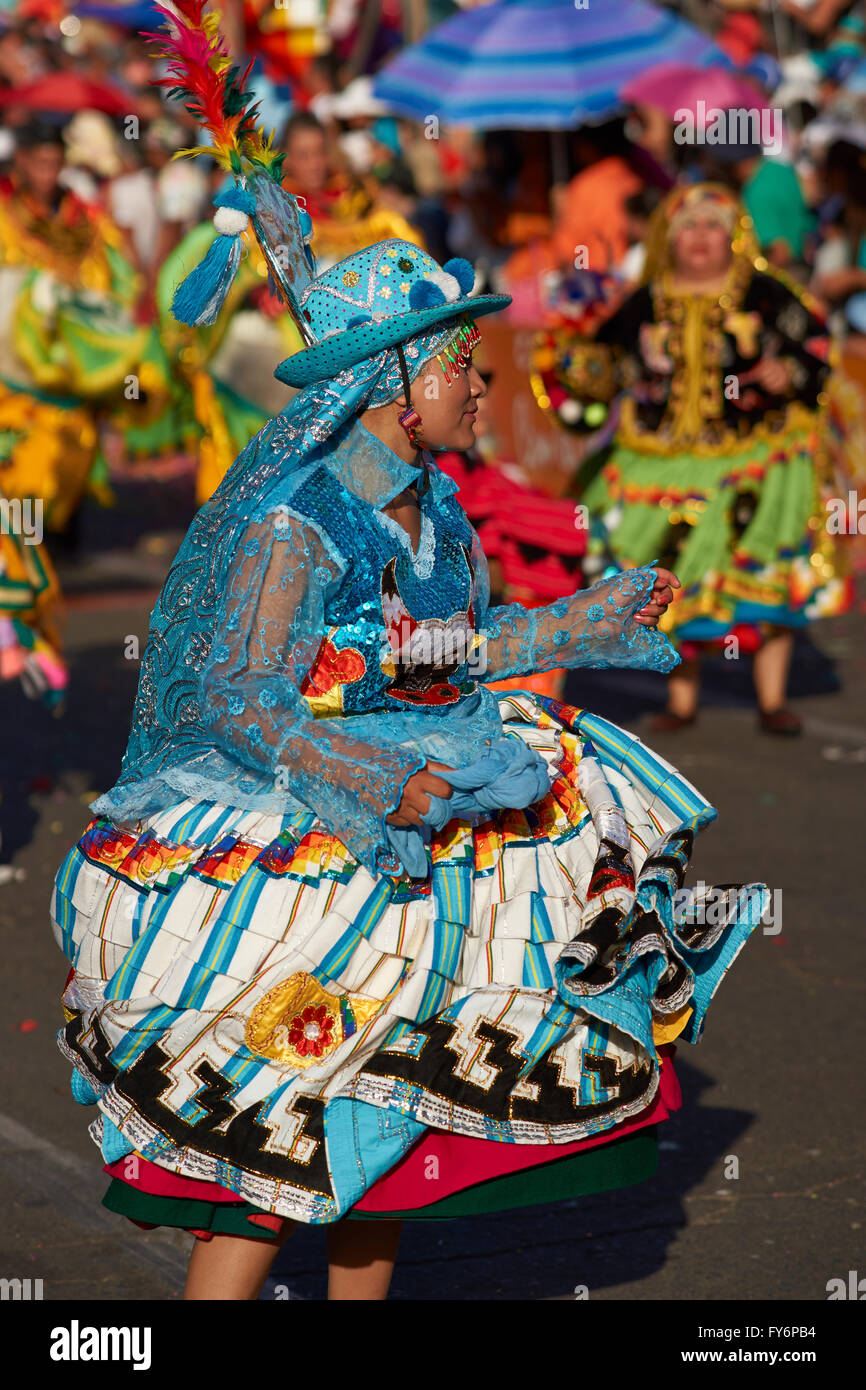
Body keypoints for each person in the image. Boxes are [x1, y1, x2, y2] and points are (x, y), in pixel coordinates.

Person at [49, 7, 764, 1301]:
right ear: (397, 384)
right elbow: (234, 699)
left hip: (416, 823)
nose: (483, 386)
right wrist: (369, 773)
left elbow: (452, 653)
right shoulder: (294, 522)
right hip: (302, 853)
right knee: (273, 1169)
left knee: (386, 1155)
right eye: (461, 371)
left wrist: (586, 621)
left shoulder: (429, 511)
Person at [531, 183, 850, 734]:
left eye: (713, 226)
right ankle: (681, 699)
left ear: (734, 237)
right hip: (659, 460)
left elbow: (817, 352)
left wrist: (789, 373)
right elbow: (606, 368)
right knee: (670, 571)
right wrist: (576, 353)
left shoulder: (768, 296)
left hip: (754, 455)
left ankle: (771, 698)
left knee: (760, 568)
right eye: (688, 227)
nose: (700, 238)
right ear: (669, 238)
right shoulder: (643, 301)